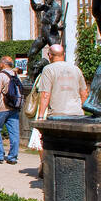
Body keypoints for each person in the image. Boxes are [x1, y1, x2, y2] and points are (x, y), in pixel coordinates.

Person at [33, 43, 90, 176]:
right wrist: (79, 107)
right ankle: (76, 173)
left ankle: (60, 175)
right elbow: (85, 93)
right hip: (77, 114)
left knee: (57, 146)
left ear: (49, 55)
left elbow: (45, 95)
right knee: (75, 146)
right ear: (63, 55)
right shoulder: (76, 69)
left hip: (58, 114)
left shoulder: (48, 69)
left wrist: (41, 116)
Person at [0, 55, 22, 165]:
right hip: (14, 107)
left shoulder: (0, 75)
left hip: (2, 107)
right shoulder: (15, 75)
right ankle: (12, 157)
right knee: (14, 133)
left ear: (3, 64)